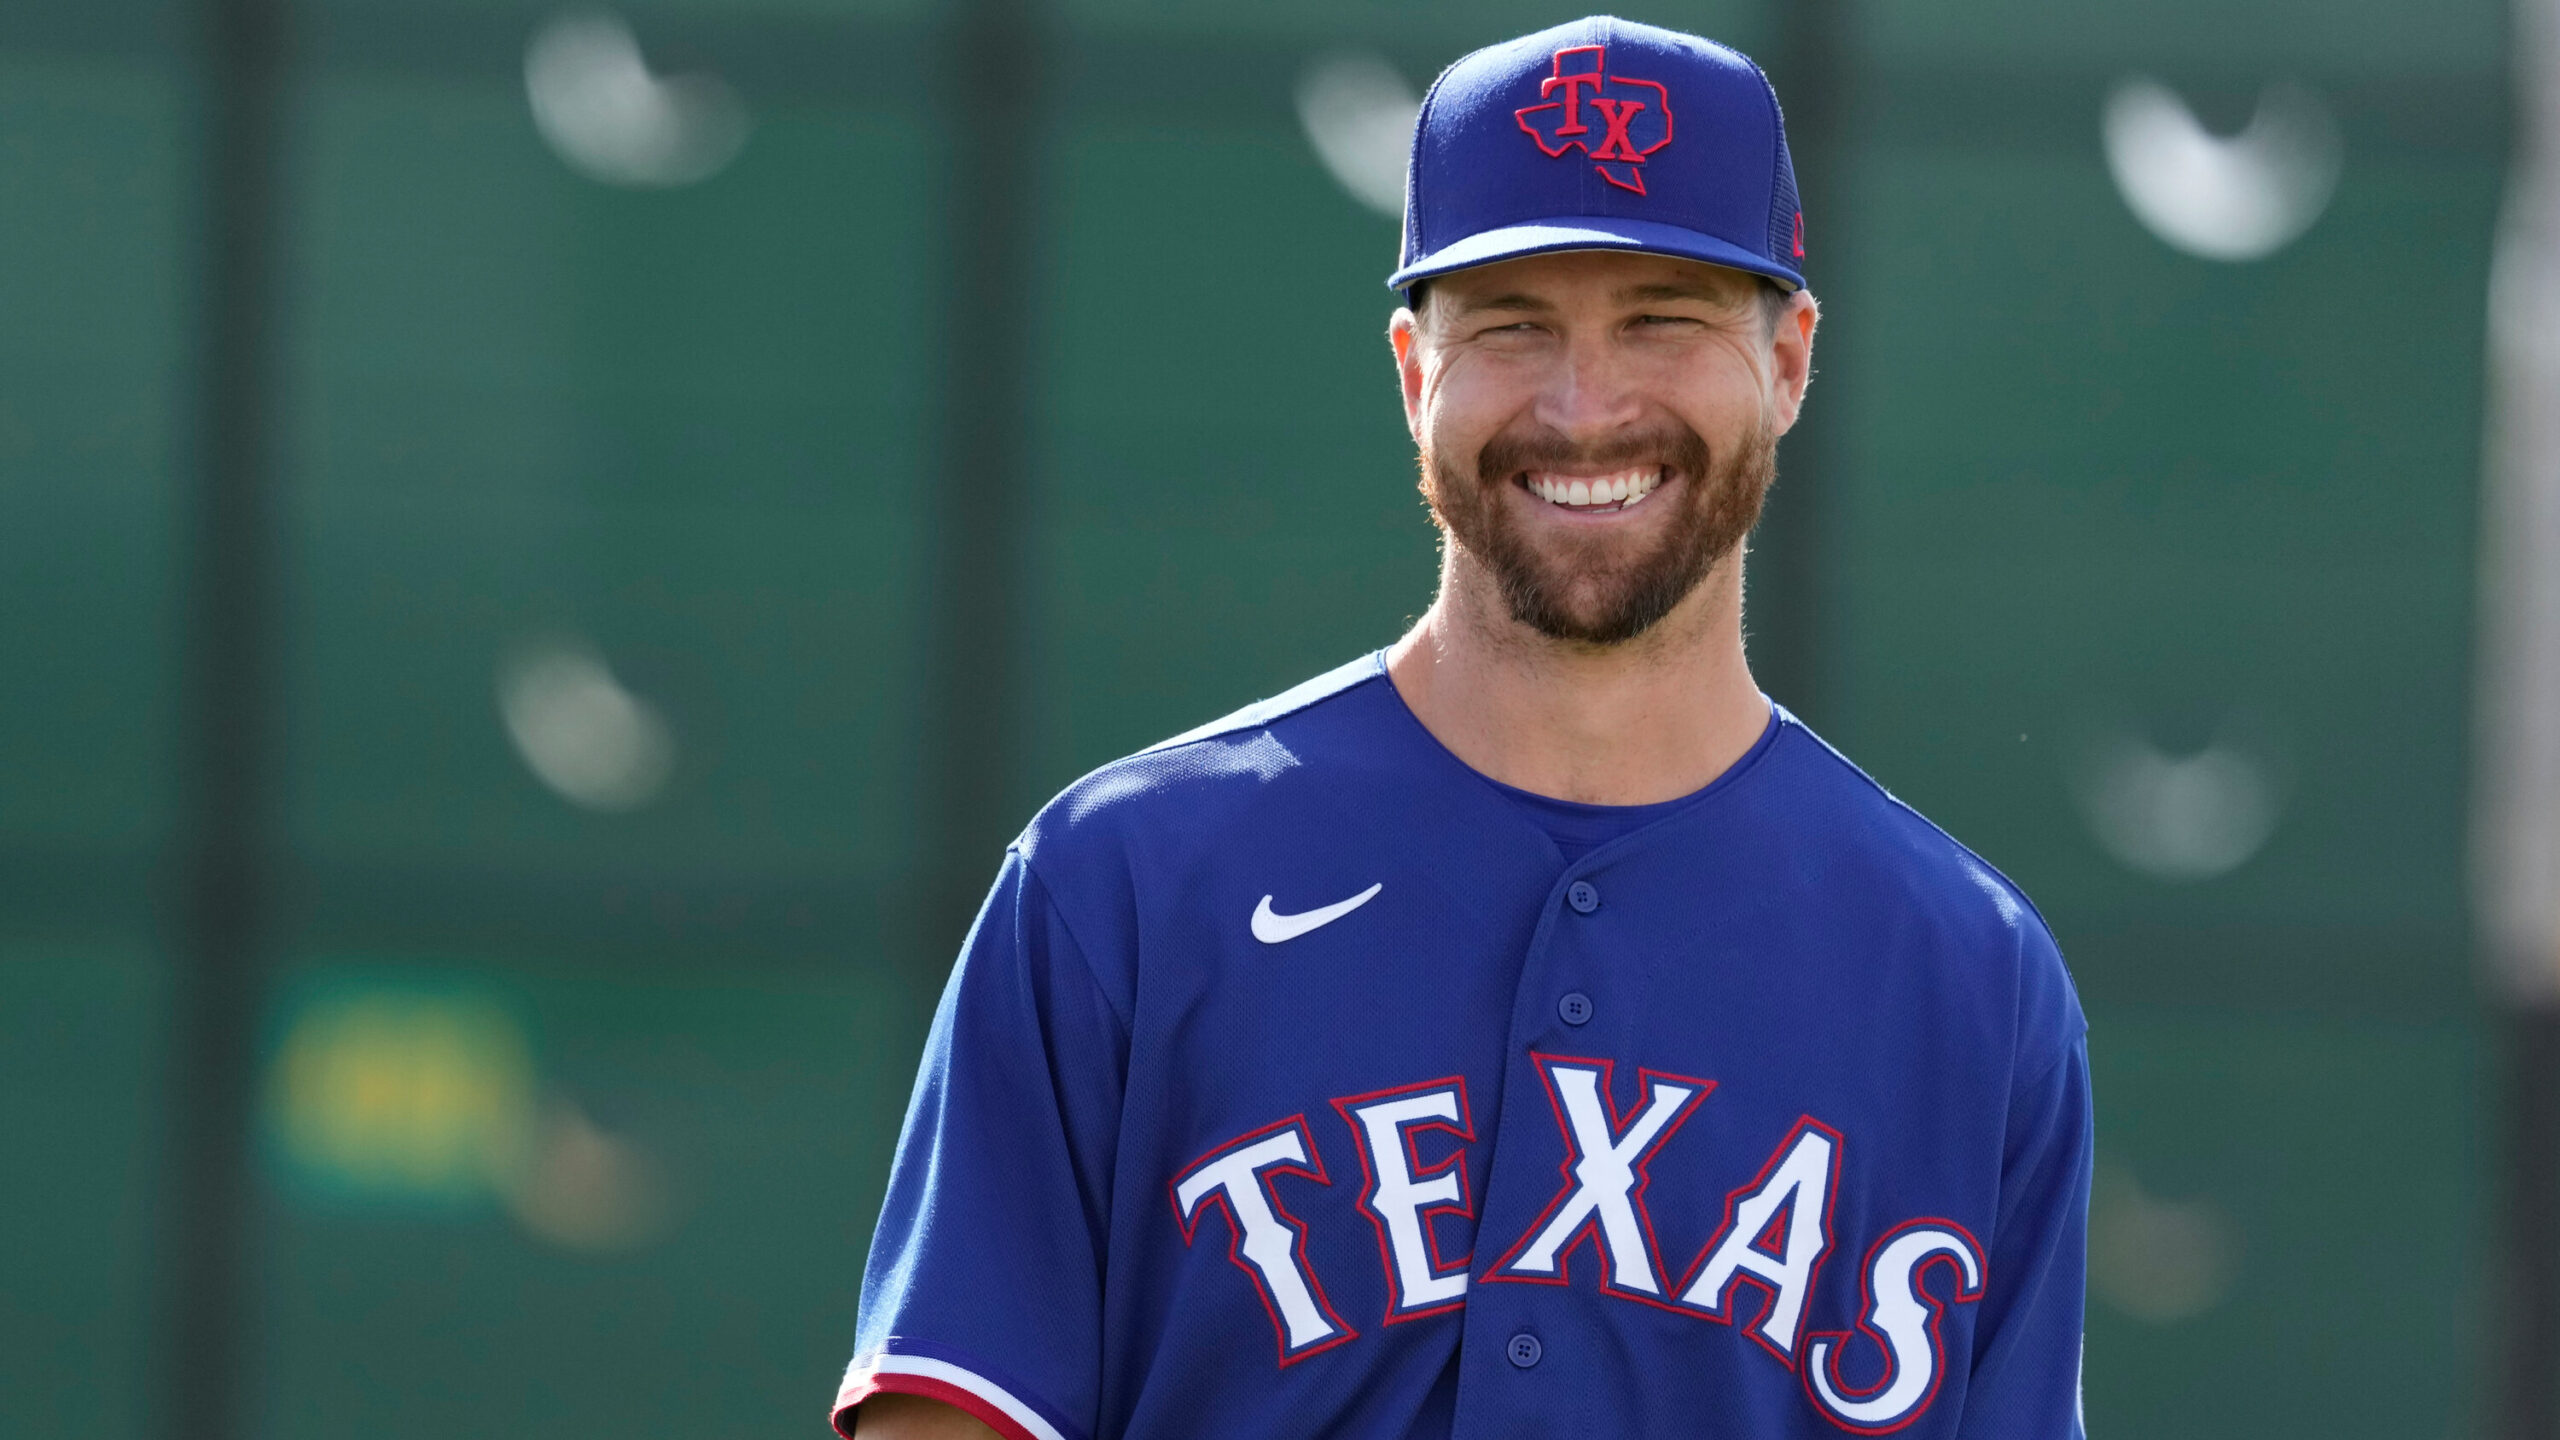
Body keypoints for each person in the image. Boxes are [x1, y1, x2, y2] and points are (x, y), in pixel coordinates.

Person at [836, 16, 2090, 1440]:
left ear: (1791, 359)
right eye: (1510, 324)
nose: (1584, 404)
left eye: (1661, 316)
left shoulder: (1970, 981)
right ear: (1413, 367)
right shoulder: (1120, 887)